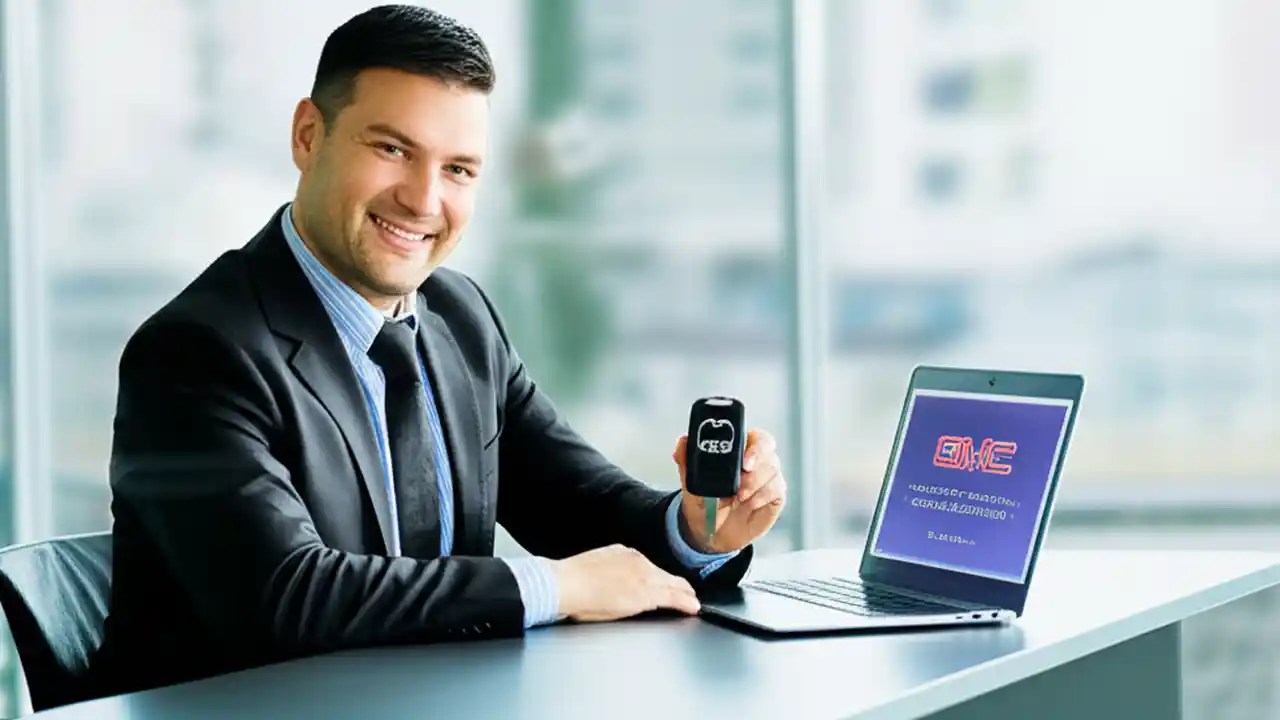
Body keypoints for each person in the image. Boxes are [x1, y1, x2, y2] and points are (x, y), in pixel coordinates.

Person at [99, 4, 787, 694]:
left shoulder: (461, 318)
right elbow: (285, 595)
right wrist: (556, 586)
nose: (424, 200)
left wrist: (697, 527)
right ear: (309, 136)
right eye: (392, 149)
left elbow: (578, 502)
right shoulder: (194, 352)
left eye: (458, 170)